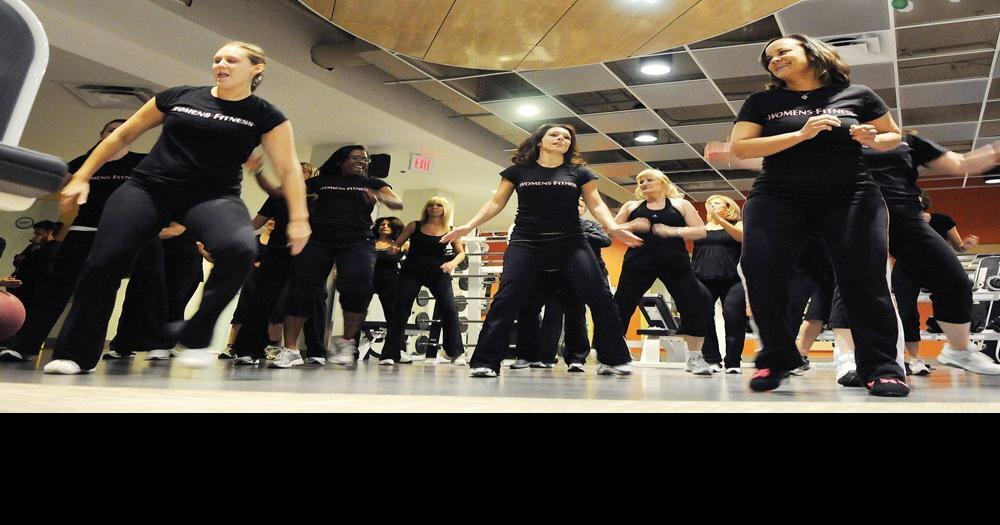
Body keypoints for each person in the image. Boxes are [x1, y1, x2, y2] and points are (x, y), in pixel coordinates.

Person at [43, 41, 310, 375]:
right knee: (102, 264)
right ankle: (75, 354)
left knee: (239, 250)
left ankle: (197, 332)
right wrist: (82, 176)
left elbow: (288, 171)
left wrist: (299, 219)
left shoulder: (265, 115)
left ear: (257, 68)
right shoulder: (179, 96)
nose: (220, 64)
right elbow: (120, 137)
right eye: (216, 59)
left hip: (213, 197)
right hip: (148, 188)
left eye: (231, 59)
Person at [731, 34, 909, 396]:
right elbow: (741, 147)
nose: (774, 59)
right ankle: (777, 357)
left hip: (851, 193)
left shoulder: (858, 95)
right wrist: (801, 133)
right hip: (779, 194)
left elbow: (893, 136)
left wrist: (872, 137)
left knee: (864, 277)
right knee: (761, 268)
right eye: (768, 58)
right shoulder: (763, 101)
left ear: (812, 53)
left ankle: (882, 367)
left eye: (782, 51)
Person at [441, 123, 642, 377]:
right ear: (539, 141)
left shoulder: (579, 173)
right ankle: (485, 361)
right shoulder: (518, 171)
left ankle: (614, 358)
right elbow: (495, 202)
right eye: (554, 135)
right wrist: (469, 225)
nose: (561, 139)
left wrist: (613, 227)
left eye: (567, 137)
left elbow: (597, 204)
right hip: (527, 240)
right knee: (507, 297)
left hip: (571, 240)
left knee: (599, 294)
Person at [840, 134, 1000, 376]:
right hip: (857, 216)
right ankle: (853, 361)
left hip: (905, 216)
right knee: (855, 291)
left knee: (955, 280)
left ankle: (959, 349)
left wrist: (994, 151)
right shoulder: (836, 138)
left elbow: (961, 163)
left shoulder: (908, 141)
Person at [269, 145, 403, 369]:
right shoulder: (320, 182)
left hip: (357, 241)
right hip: (318, 240)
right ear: (342, 160)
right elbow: (280, 193)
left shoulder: (372, 182)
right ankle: (290, 349)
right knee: (301, 290)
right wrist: (261, 173)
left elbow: (396, 201)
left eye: (365, 159)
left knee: (357, 285)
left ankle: (347, 342)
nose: (362, 161)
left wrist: (380, 196)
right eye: (356, 157)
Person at [613, 169, 714, 375]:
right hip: (638, 263)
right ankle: (613, 357)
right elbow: (610, 229)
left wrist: (673, 231)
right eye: (641, 181)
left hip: (675, 263)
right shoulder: (631, 206)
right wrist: (631, 225)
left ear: (663, 183)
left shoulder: (680, 205)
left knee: (692, 305)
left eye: (649, 180)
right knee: (621, 305)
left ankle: (695, 359)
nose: (644, 184)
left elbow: (700, 231)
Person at [229, 163, 326, 366]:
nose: (298, 174)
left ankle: (315, 350)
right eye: (294, 170)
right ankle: (248, 349)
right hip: (277, 250)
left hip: (308, 252)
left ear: (312, 176)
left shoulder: (319, 197)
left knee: (310, 300)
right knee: (262, 297)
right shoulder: (279, 195)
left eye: (304, 171)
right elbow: (257, 222)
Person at [512, 198, 610, 371]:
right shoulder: (551, 223)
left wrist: (580, 233)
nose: (575, 207)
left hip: (581, 274)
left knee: (576, 314)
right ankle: (538, 356)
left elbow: (605, 240)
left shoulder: (590, 225)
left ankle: (576, 359)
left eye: (579, 205)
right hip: (551, 274)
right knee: (543, 314)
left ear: (583, 209)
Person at [379, 197, 466, 366]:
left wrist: (452, 263)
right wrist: (393, 249)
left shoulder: (451, 229)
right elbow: (398, 244)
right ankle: (390, 353)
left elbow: (461, 253)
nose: (434, 207)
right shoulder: (414, 225)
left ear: (444, 209)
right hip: (412, 270)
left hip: (438, 271)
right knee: (401, 308)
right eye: (431, 204)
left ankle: (455, 352)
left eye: (438, 205)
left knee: (449, 308)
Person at [691, 194, 746, 374]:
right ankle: (711, 359)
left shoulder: (737, 224)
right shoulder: (700, 227)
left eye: (717, 203)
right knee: (704, 318)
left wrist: (720, 221)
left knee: (733, 317)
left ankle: (733, 362)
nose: (712, 206)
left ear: (728, 207)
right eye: (710, 204)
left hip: (732, 279)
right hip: (702, 278)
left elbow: (741, 238)